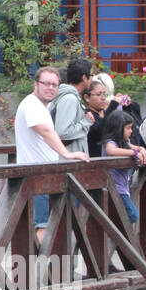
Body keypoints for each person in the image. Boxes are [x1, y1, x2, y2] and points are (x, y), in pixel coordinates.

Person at [15, 65, 90, 245]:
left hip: (43, 173)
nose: (50, 88)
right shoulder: (32, 105)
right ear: (36, 84)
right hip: (37, 174)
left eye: (54, 85)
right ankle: (37, 271)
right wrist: (67, 154)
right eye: (46, 84)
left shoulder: (41, 106)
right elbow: (47, 131)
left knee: (46, 225)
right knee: (42, 226)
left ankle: (43, 270)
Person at [101, 110, 146, 225]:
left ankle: (116, 238)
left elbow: (135, 147)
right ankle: (116, 238)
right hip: (114, 187)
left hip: (122, 187)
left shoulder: (124, 142)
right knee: (132, 215)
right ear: (118, 128)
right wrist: (133, 153)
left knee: (124, 214)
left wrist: (141, 149)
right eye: (128, 128)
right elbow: (111, 150)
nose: (131, 131)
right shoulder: (111, 142)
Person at [51, 58, 93, 155]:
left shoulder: (69, 96)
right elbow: (63, 132)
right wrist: (85, 122)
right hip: (67, 160)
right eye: (91, 75)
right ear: (84, 77)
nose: (92, 79)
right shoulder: (69, 99)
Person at [83, 77, 111, 154]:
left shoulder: (106, 113)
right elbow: (100, 131)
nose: (103, 98)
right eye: (99, 94)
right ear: (87, 97)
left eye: (104, 94)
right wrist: (112, 107)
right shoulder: (86, 114)